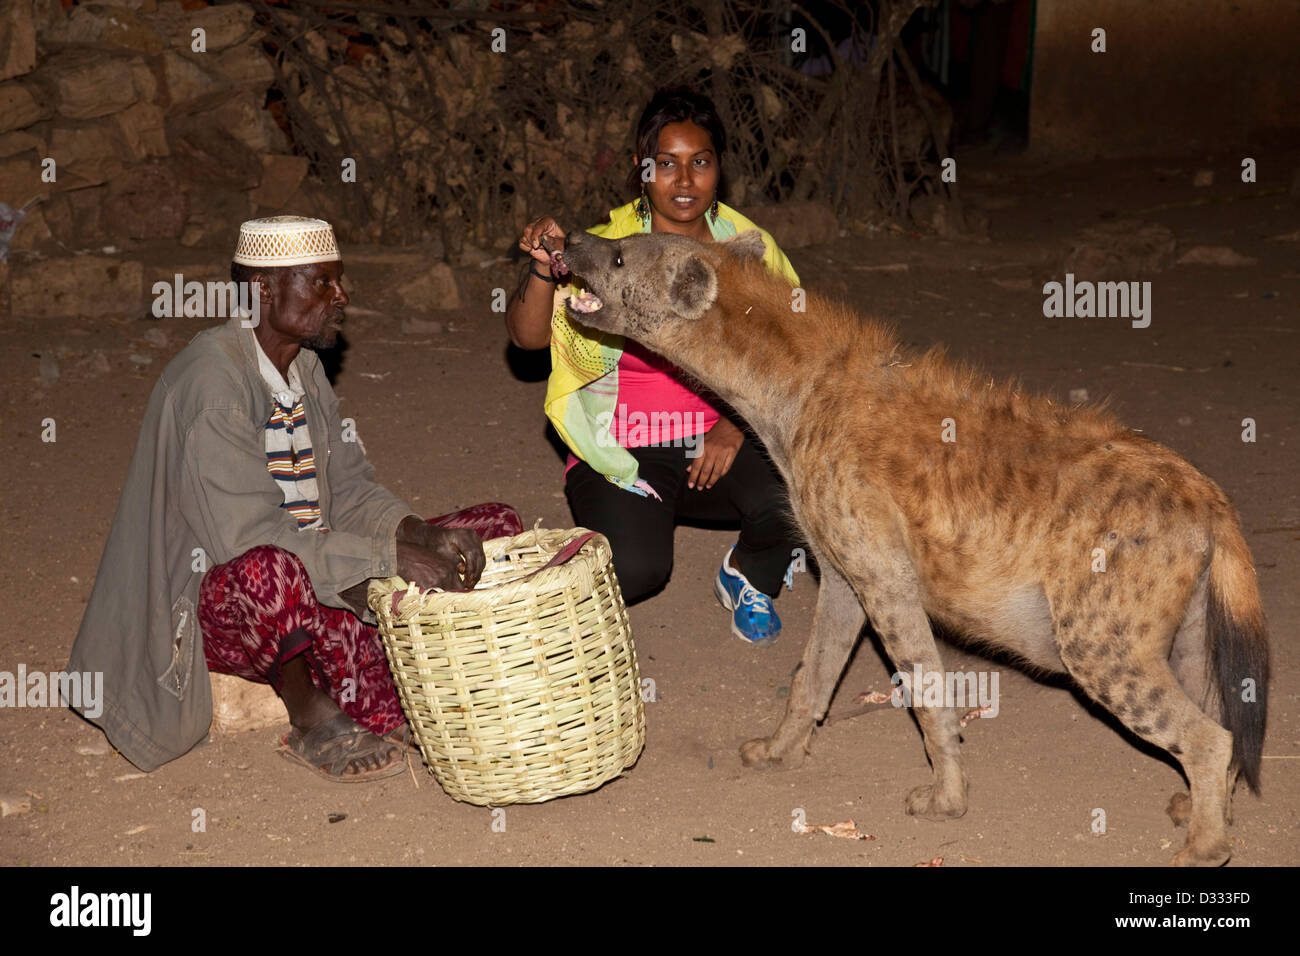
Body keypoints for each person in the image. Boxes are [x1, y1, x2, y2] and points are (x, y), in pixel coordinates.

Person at [67, 216, 522, 781]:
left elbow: (351, 488)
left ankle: (407, 677)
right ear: (263, 289)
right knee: (269, 570)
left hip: (319, 565)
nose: (341, 296)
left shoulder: (302, 365)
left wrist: (419, 536)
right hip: (231, 606)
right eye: (322, 283)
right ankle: (308, 713)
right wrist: (386, 561)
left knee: (493, 527)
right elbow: (250, 539)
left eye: (338, 281)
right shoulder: (213, 386)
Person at [506, 87, 801, 645]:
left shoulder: (748, 252)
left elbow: (793, 358)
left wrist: (733, 426)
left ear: (720, 170)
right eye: (666, 164)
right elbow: (526, 339)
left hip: (720, 440)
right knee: (638, 569)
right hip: (625, 443)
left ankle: (749, 573)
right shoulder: (612, 245)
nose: (684, 181)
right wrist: (546, 269)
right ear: (643, 171)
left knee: (804, 496)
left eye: (700, 163)